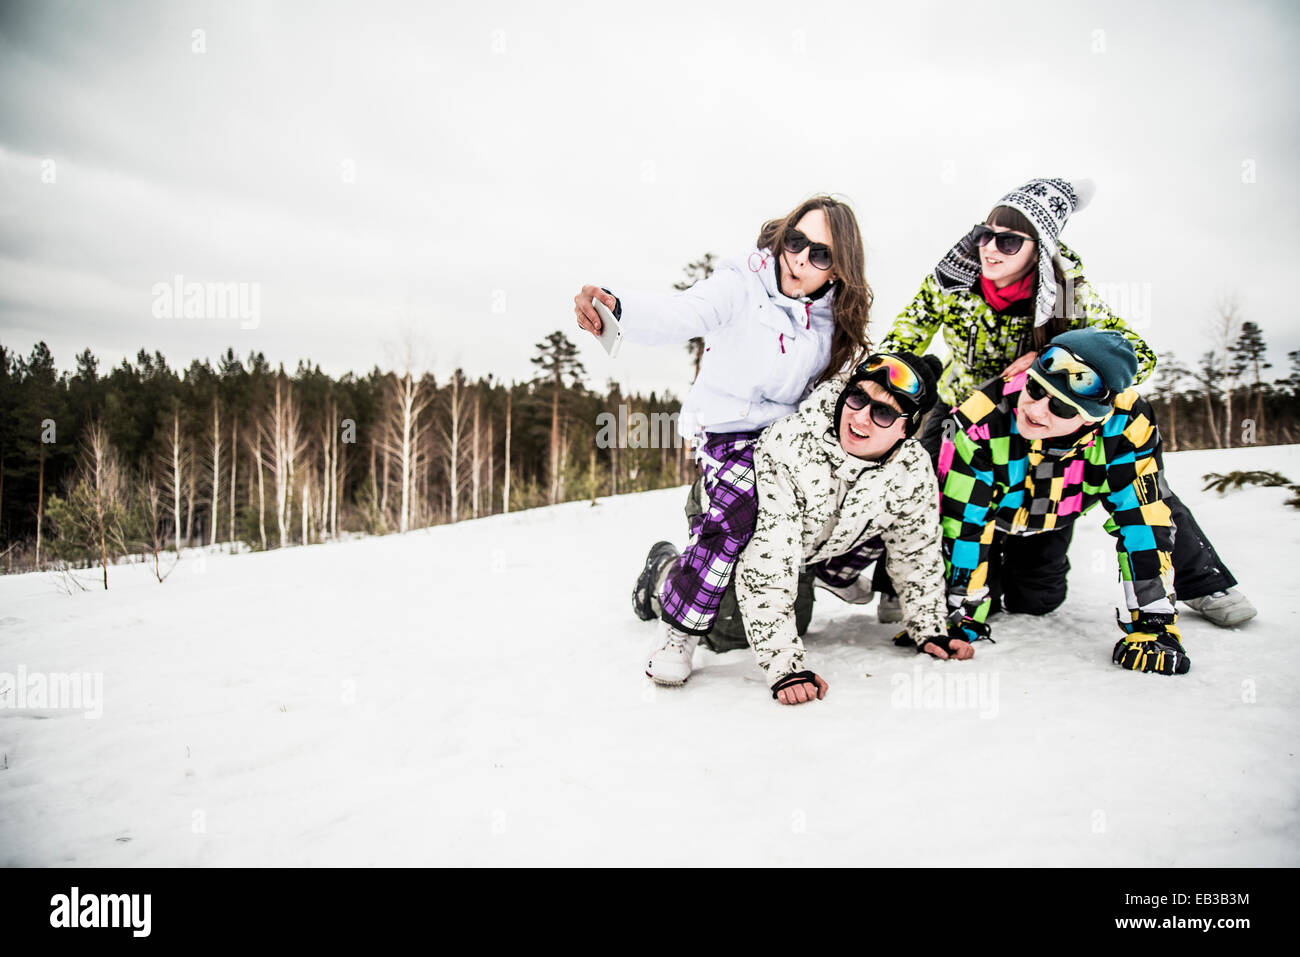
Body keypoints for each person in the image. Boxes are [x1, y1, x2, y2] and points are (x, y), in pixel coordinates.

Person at [879, 177, 1255, 628]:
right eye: (985, 234)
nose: (990, 249)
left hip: (1041, 408)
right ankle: (899, 586)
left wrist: (1057, 359)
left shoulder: (1068, 289)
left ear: (1038, 249)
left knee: (1139, 479)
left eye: (1008, 241)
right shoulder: (951, 280)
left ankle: (1204, 582)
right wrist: (891, 386)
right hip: (965, 402)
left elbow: (1138, 352)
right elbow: (903, 339)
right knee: (913, 473)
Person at [573, 195, 872, 685]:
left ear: (838, 268)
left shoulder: (835, 315)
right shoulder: (742, 283)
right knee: (739, 511)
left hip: (790, 436)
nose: (800, 258)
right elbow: (681, 313)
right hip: (728, 431)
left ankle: (837, 564)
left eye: (821, 254)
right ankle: (677, 625)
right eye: (796, 241)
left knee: (869, 473)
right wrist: (617, 307)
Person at [937, 328, 1191, 675]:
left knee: (1038, 602)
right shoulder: (978, 420)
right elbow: (964, 524)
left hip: (1054, 518)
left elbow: (1143, 521)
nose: (1037, 410)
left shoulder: (1128, 428)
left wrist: (1154, 625)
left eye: (1059, 406)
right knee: (984, 603)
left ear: (1093, 417)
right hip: (992, 518)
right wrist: (961, 620)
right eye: (1036, 389)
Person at [736, 351, 964, 705]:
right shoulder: (792, 443)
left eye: (884, 412)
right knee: (730, 634)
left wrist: (930, 627)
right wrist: (784, 666)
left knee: (799, 613)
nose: (860, 417)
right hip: (736, 532)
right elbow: (768, 559)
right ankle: (668, 571)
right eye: (858, 398)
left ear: (908, 428)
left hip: (814, 546)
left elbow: (916, 549)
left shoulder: (912, 467)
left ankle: (817, 578)